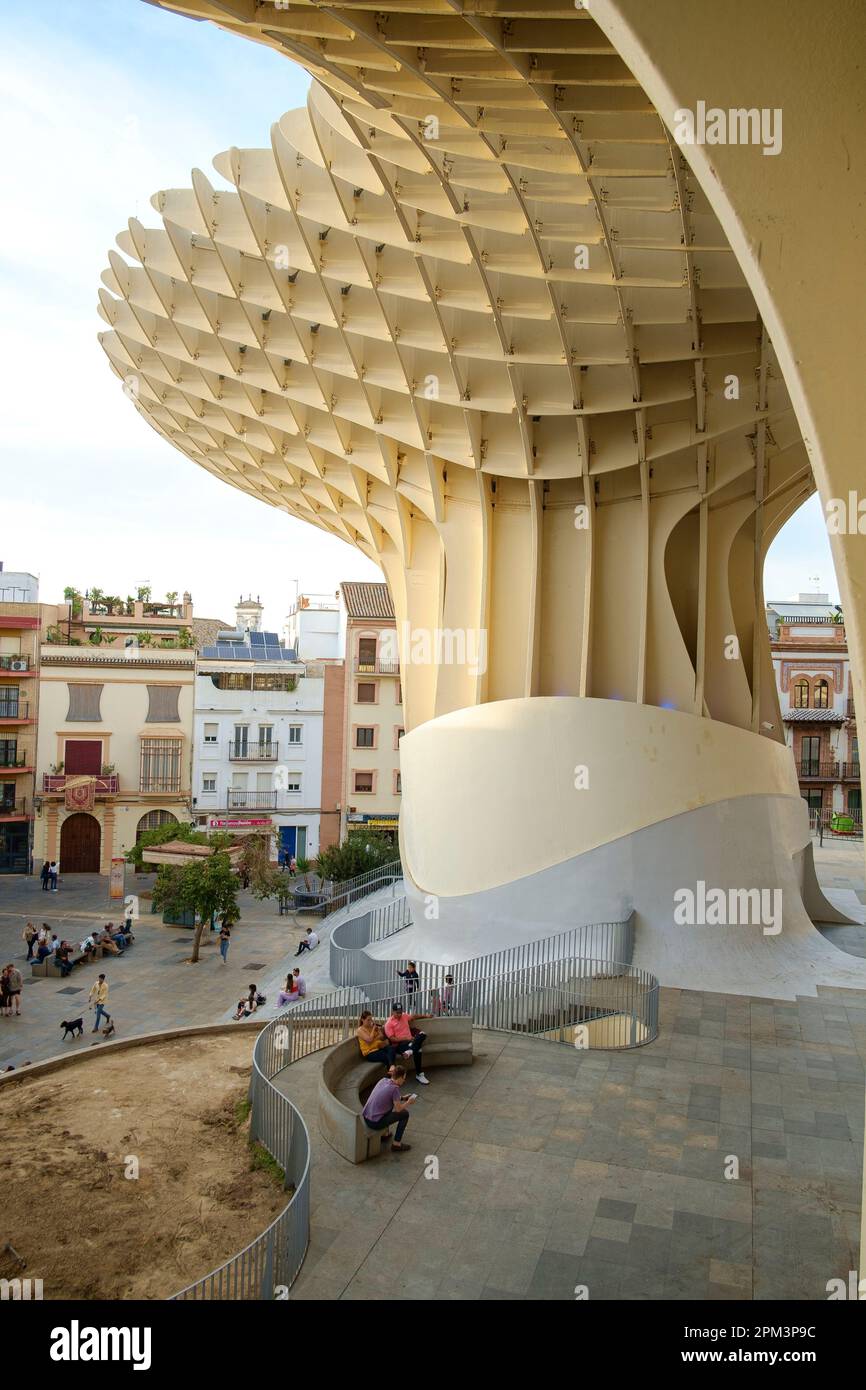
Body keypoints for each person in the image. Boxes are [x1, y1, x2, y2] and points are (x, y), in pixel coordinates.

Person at [361, 1064, 415, 1152]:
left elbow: (387, 1097)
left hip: (367, 1117)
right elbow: (398, 1109)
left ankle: (385, 1134)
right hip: (374, 1123)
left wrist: (402, 1098)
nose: (404, 1080)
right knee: (405, 1114)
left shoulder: (383, 1080)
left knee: (387, 1106)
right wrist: (408, 1102)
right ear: (400, 1078)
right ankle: (396, 1144)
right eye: (404, 1078)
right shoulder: (394, 1089)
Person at [384, 1003, 429, 1085]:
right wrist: (405, 1038)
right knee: (418, 1049)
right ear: (392, 1012)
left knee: (423, 1034)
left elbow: (414, 1016)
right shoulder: (389, 1024)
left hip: (411, 1042)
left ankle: (410, 1051)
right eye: (397, 1012)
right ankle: (419, 1074)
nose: (399, 1014)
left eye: (400, 1012)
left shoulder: (404, 1016)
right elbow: (392, 1039)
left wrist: (426, 1016)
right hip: (400, 1044)